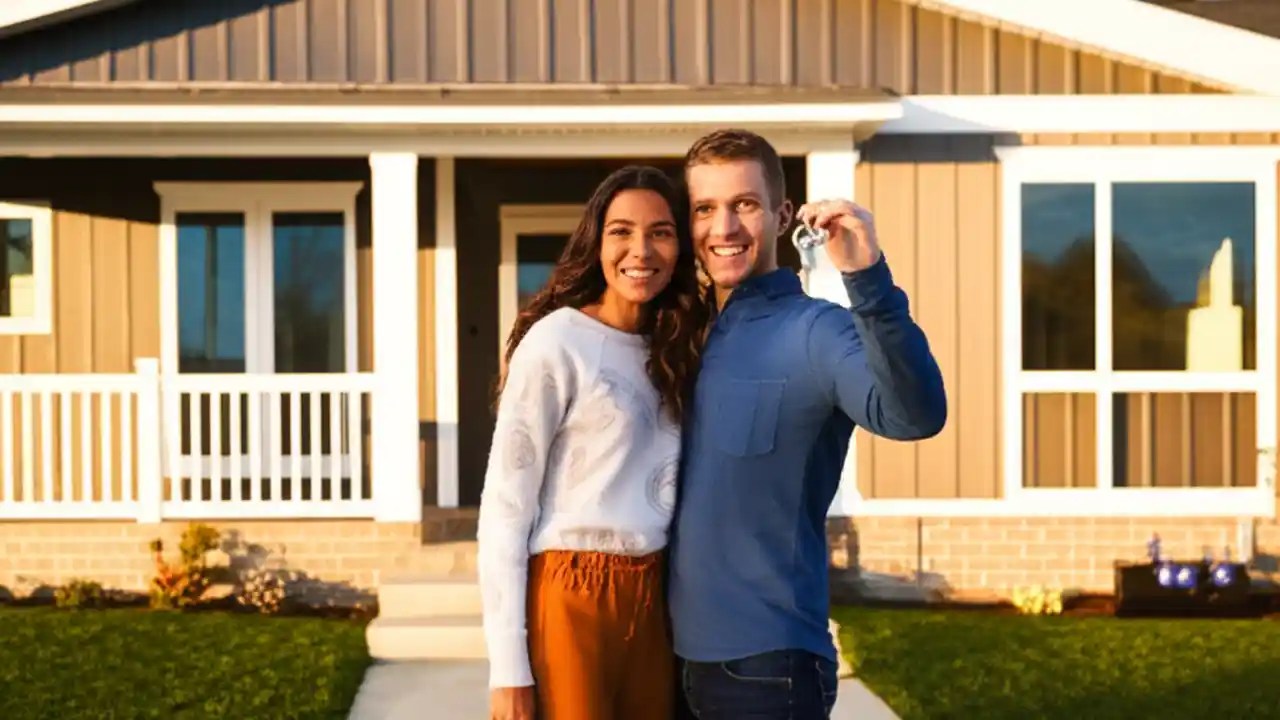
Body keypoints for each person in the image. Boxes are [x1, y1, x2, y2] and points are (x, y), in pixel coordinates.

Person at [668, 129, 948, 718]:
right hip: (676, 663)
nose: (724, 228)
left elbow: (915, 415)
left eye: (744, 204)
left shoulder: (818, 332)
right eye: (705, 209)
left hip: (768, 673)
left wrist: (866, 276)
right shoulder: (688, 338)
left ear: (781, 215)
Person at [477, 165, 708, 720]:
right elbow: (506, 509)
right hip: (571, 590)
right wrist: (507, 671)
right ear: (596, 242)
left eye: (660, 231)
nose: (641, 249)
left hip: (655, 596)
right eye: (621, 231)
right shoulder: (558, 341)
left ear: (679, 246)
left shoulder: (680, 346)